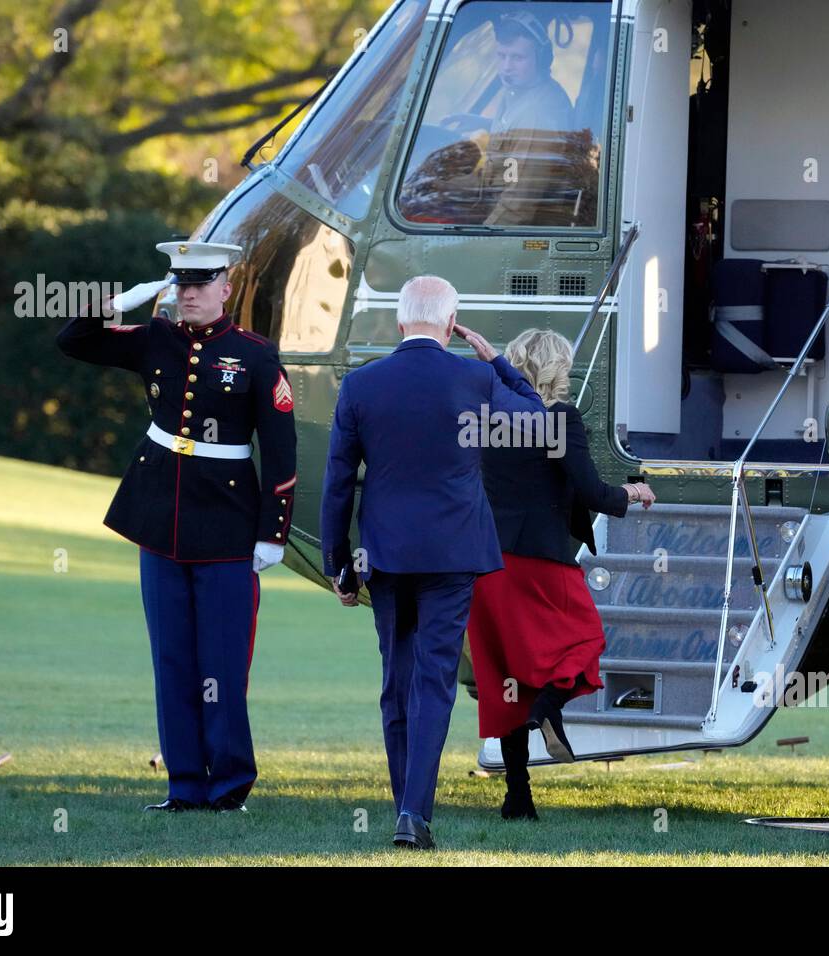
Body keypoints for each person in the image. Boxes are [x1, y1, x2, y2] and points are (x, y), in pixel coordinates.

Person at [56, 240, 298, 814]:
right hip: (159, 516)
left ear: (225, 288)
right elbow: (74, 342)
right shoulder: (156, 337)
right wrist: (118, 303)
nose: (188, 293)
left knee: (222, 660)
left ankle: (230, 784)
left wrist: (273, 533)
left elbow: (282, 451)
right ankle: (184, 786)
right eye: (180, 283)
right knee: (172, 660)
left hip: (227, 524)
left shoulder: (257, 356)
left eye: (200, 283)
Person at [319, 275, 546, 850]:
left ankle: (405, 807)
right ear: (451, 325)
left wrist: (337, 563)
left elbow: (339, 482)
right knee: (434, 680)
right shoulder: (473, 377)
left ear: (399, 323)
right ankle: (413, 813)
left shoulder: (362, 384)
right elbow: (537, 420)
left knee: (396, 681)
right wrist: (498, 363)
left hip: (385, 555)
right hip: (451, 553)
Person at [465, 328, 655, 820]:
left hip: (488, 565)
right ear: (555, 370)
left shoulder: (488, 421)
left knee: (507, 675)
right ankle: (548, 708)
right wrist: (634, 493)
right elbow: (593, 493)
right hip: (542, 560)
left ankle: (518, 796)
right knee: (585, 642)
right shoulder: (560, 419)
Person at [477, 10, 575, 225]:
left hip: (526, 229)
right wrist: (477, 122)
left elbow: (517, 206)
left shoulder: (536, 114)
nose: (506, 67)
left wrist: (477, 241)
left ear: (540, 60)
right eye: (501, 55)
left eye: (517, 58)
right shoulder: (519, 92)